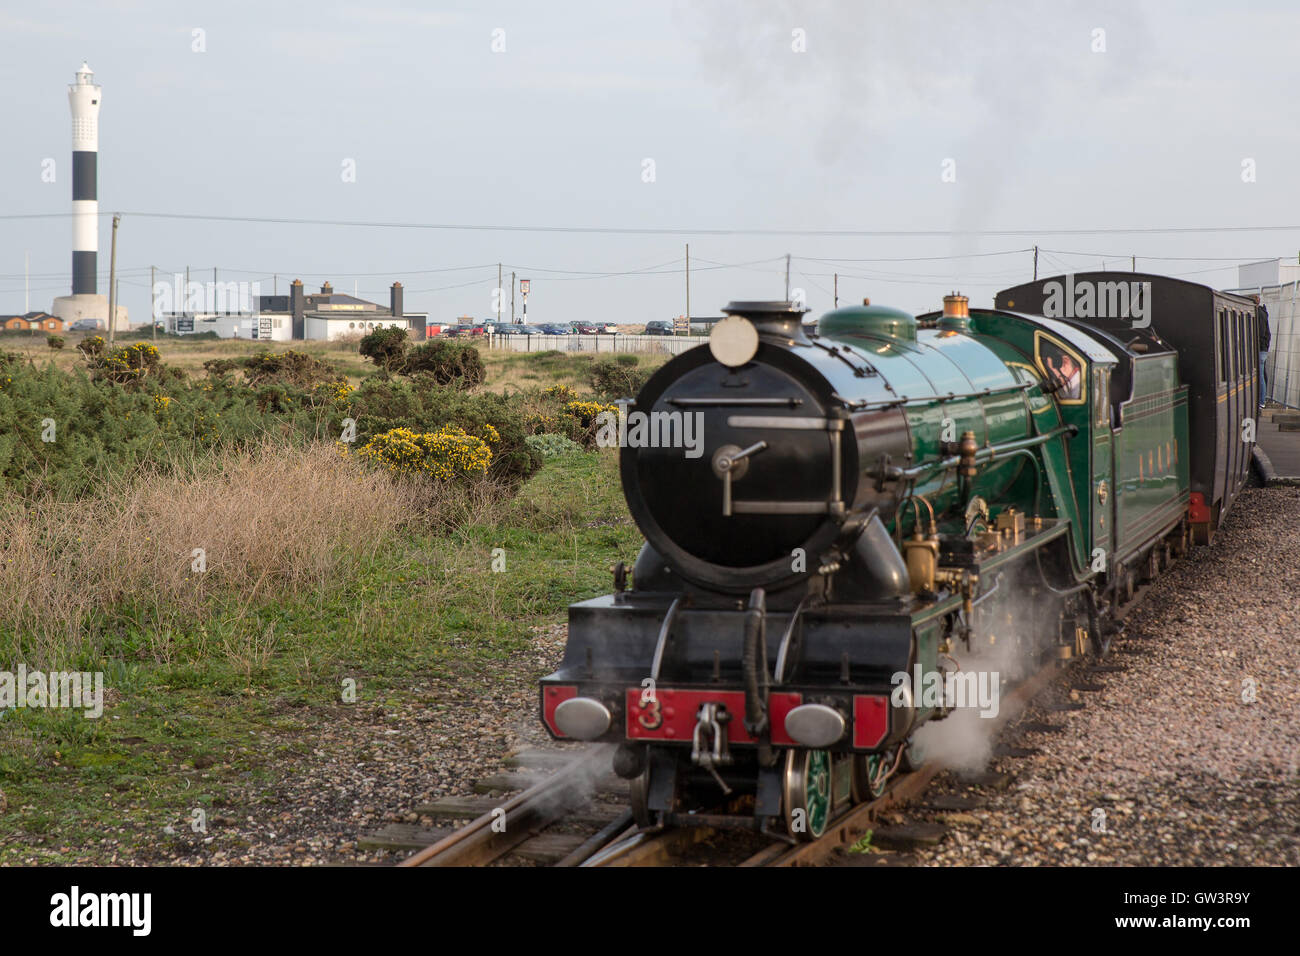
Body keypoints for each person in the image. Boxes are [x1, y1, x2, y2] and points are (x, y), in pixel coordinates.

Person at [1257, 299, 1271, 410]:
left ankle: (1261, 401)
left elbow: (1261, 333)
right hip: (1264, 348)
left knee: (1260, 375)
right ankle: (1262, 400)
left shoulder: (1259, 314)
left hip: (1261, 349)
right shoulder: (1263, 313)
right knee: (1262, 374)